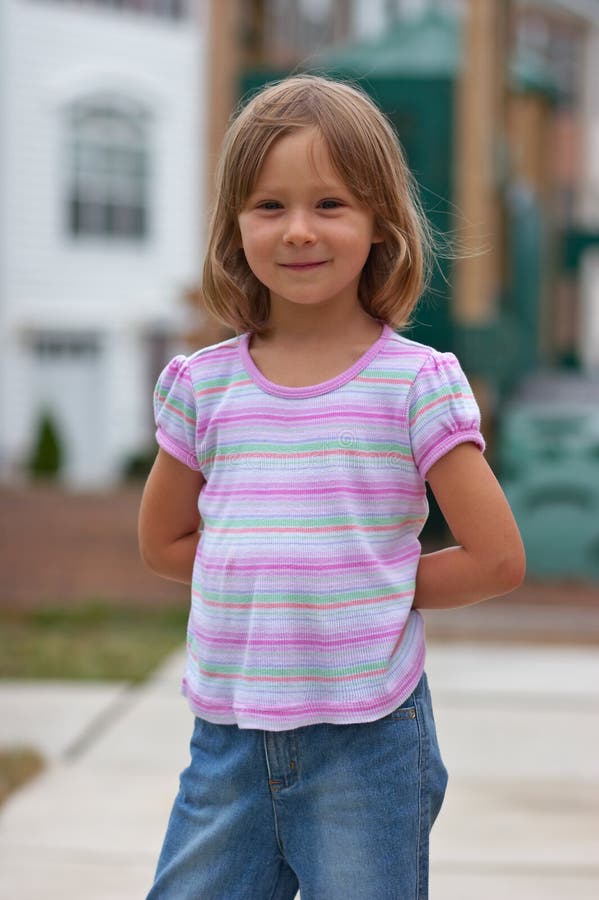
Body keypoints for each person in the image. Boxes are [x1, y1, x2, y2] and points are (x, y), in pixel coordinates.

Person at [138, 74, 525, 900]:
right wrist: (272, 576)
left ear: (379, 220)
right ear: (233, 225)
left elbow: (496, 559)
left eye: (330, 204)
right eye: (268, 206)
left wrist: (363, 585)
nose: (298, 231)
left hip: (370, 741)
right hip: (229, 738)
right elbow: (165, 544)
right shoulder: (200, 386)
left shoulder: (415, 384)